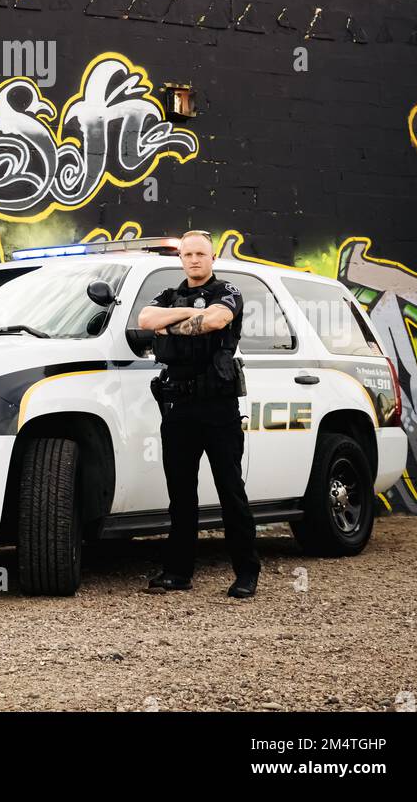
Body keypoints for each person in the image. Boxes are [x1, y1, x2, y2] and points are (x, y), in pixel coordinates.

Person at [137, 229, 261, 598]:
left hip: (218, 408)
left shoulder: (228, 292)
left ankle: (246, 573)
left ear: (212, 258)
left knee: (231, 491)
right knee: (181, 494)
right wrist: (191, 312)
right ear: (181, 259)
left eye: (200, 254)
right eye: (188, 254)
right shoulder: (170, 295)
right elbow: (145, 319)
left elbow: (215, 322)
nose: (194, 260)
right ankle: (178, 573)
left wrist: (173, 323)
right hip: (178, 407)